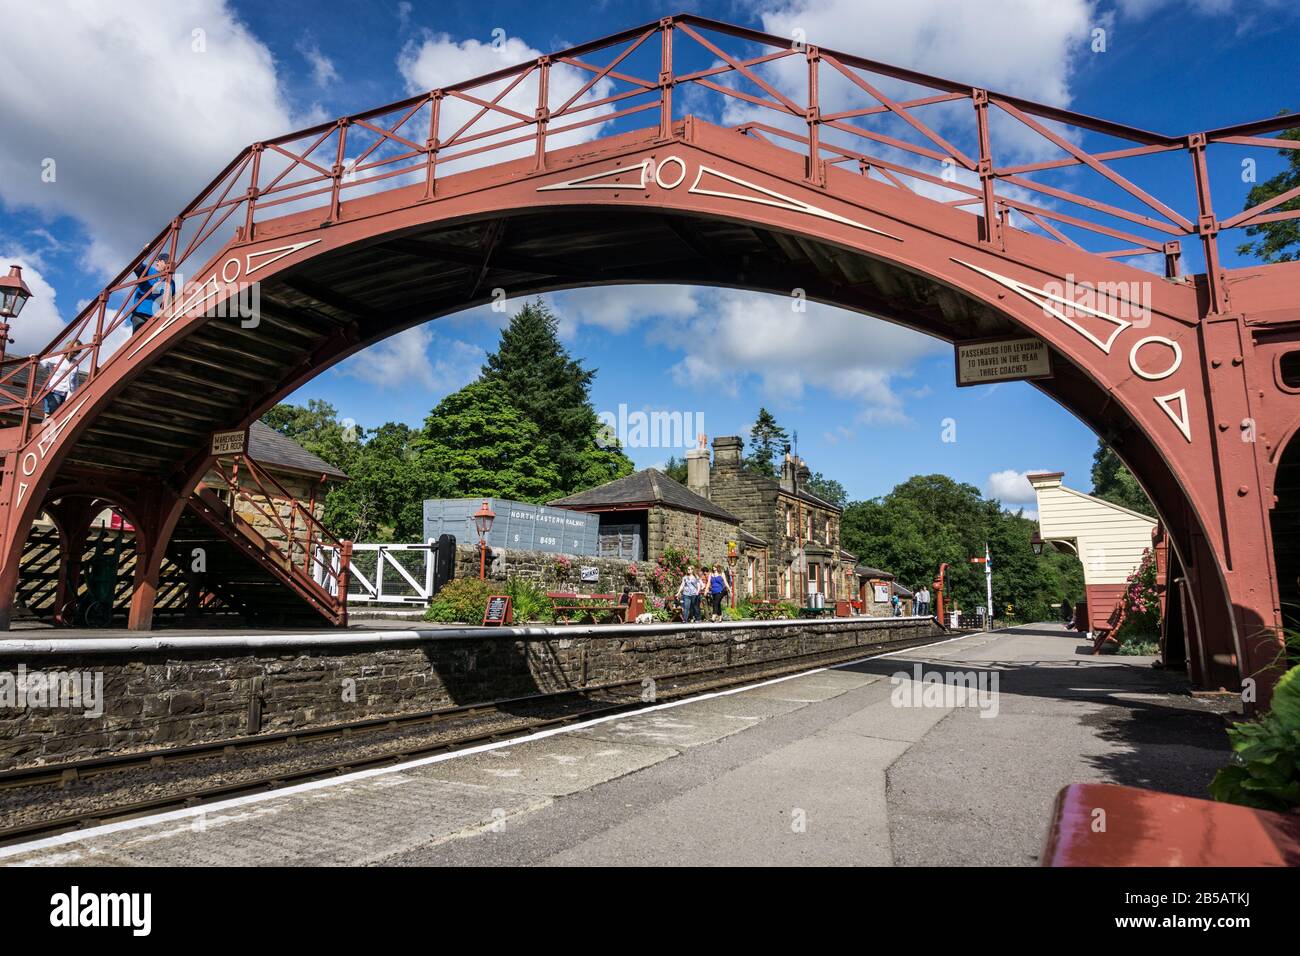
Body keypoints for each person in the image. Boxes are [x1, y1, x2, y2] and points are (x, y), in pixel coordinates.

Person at [129, 252, 174, 334]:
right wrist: (144, 252)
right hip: (141, 314)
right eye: (158, 260)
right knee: (138, 341)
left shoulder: (171, 282)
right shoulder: (149, 270)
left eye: (160, 261)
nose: (157, 262)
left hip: (157, 318)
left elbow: (171, 300)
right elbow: (136, 266)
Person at [40, 340, 85, 418]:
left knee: (63, 417)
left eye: (78, 352)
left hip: (68, 393)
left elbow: (75, 380)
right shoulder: (56, 358)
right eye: (75, 351)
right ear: (69, 348)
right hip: (55, 391)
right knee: (50, 416)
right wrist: (34, 358)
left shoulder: (75, 362)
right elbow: (42, 362)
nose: (76, 354)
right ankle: (46, 430)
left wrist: (75, 392)